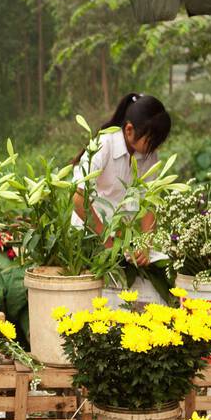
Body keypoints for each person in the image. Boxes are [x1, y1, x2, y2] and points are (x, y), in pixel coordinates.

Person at [72, 92, 172, 295]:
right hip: (87, 236)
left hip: (118, 241)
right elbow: (79, 198)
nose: (155, 148)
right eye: (152, 141)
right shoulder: (104, 145)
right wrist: (107, 241)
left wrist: (145, 244)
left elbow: (149, 203)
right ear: (129, 130)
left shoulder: (148, 155)